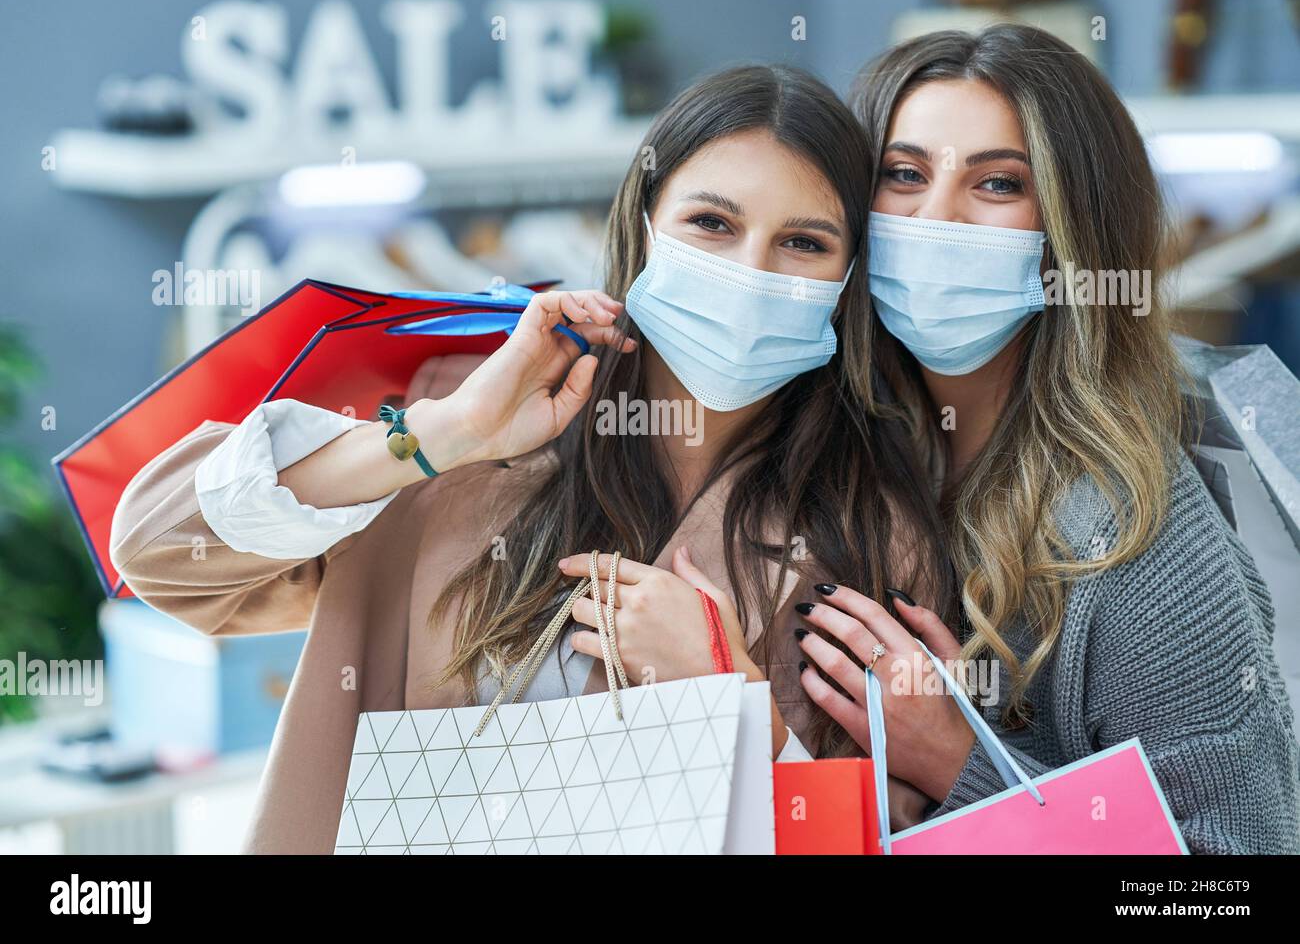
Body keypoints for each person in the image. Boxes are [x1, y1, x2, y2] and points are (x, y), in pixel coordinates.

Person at [109, 64, 950, 853]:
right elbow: (162, 549)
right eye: (712, 223)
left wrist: (732, 700)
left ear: (847, 278)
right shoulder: (462, 412)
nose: (750, 270)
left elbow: (880, 834)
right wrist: (446, 435)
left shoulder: (876, 529)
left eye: (802, 243)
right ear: (645, 225)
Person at [794, 24, 1300, 853]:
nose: (937, 216)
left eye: (997, 183)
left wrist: (961, 763)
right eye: (904, 175)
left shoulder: (1135, 541)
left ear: (1071, 232)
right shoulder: (844, 459)